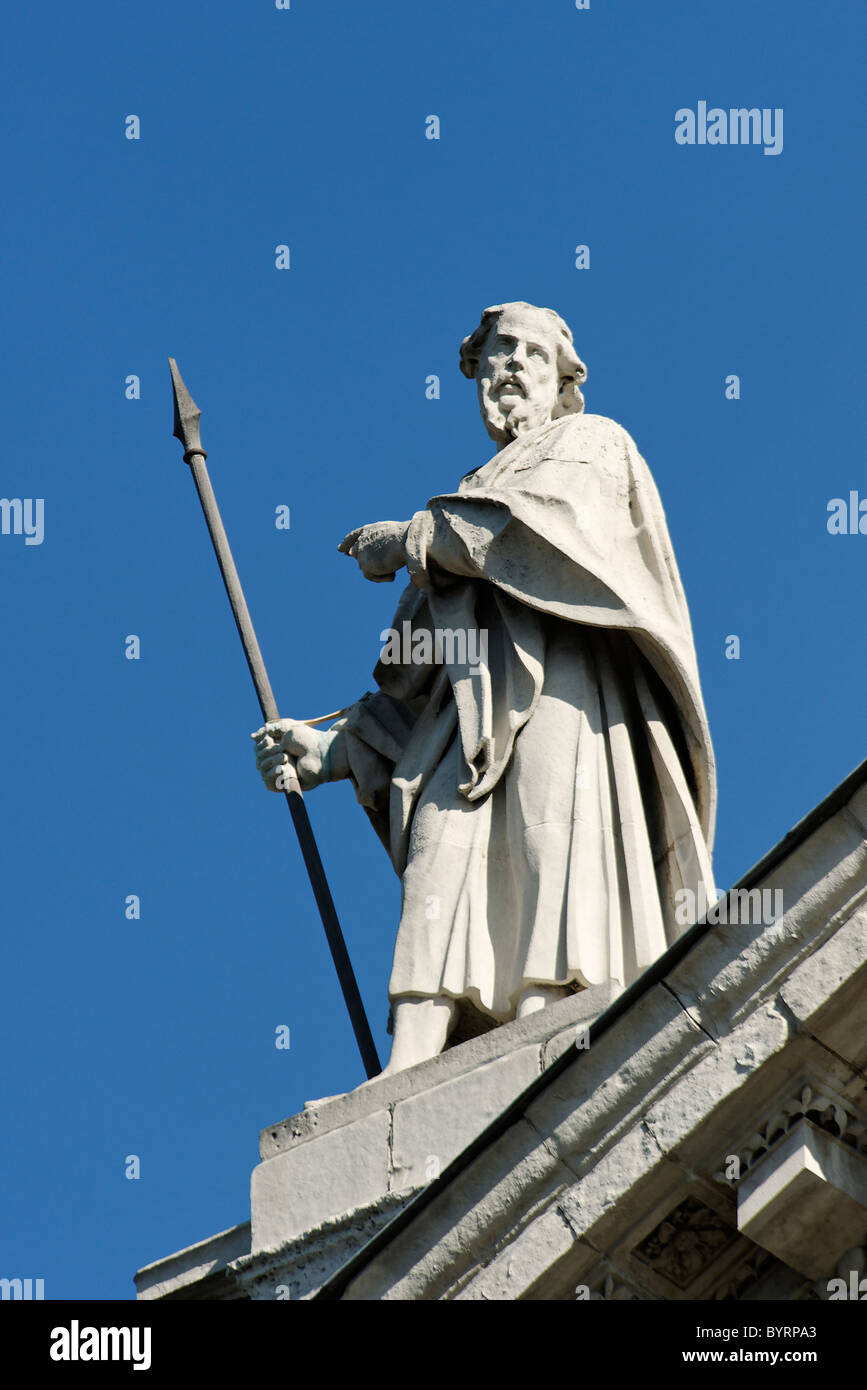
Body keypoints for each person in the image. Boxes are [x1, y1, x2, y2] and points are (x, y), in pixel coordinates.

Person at [253, 302, 716, 1077]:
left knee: (549, 840)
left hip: (564, 690)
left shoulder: (591, 442)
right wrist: (332, 749)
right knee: (440, 855)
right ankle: (410, 1066)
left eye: (528, 354)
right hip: (463, 724)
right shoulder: (474, 487)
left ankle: (554, 1015)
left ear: (563, 378)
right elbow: (417, 675)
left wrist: (410, 539)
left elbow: (547, 535)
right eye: (493, 355)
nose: (507, 368)